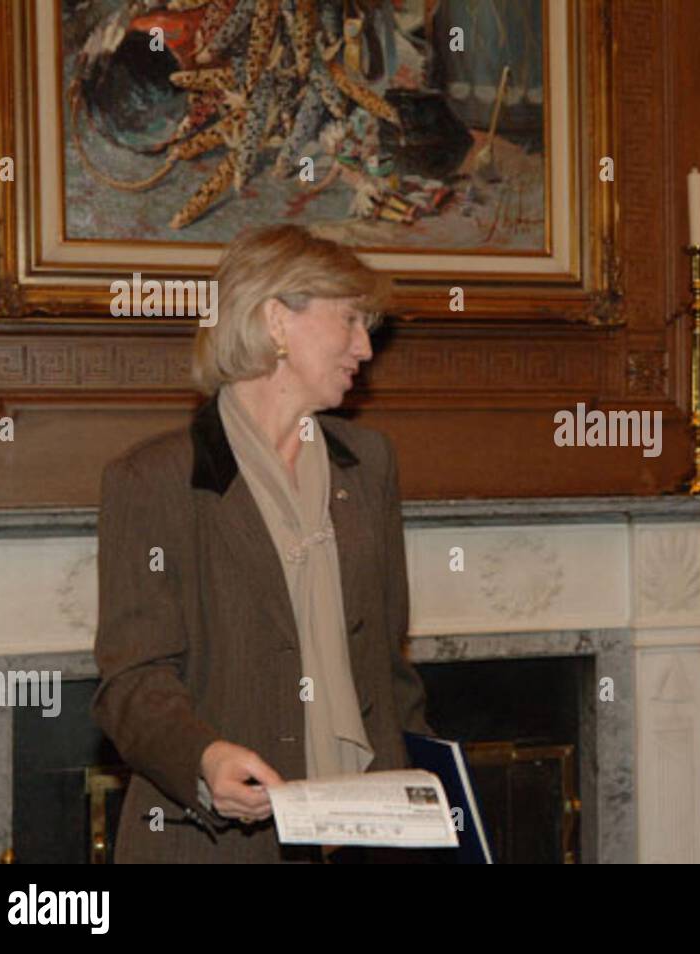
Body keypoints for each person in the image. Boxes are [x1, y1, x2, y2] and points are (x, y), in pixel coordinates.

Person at [92, 224, 431, 862]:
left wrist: (428, 790)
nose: (365, 346)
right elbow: (131, 682)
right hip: (216, 845)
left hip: (365, 832)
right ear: (276, 319)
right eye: (351, 319)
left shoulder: (369, 462)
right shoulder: (154, 480)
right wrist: (205, 758)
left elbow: (390, 661)